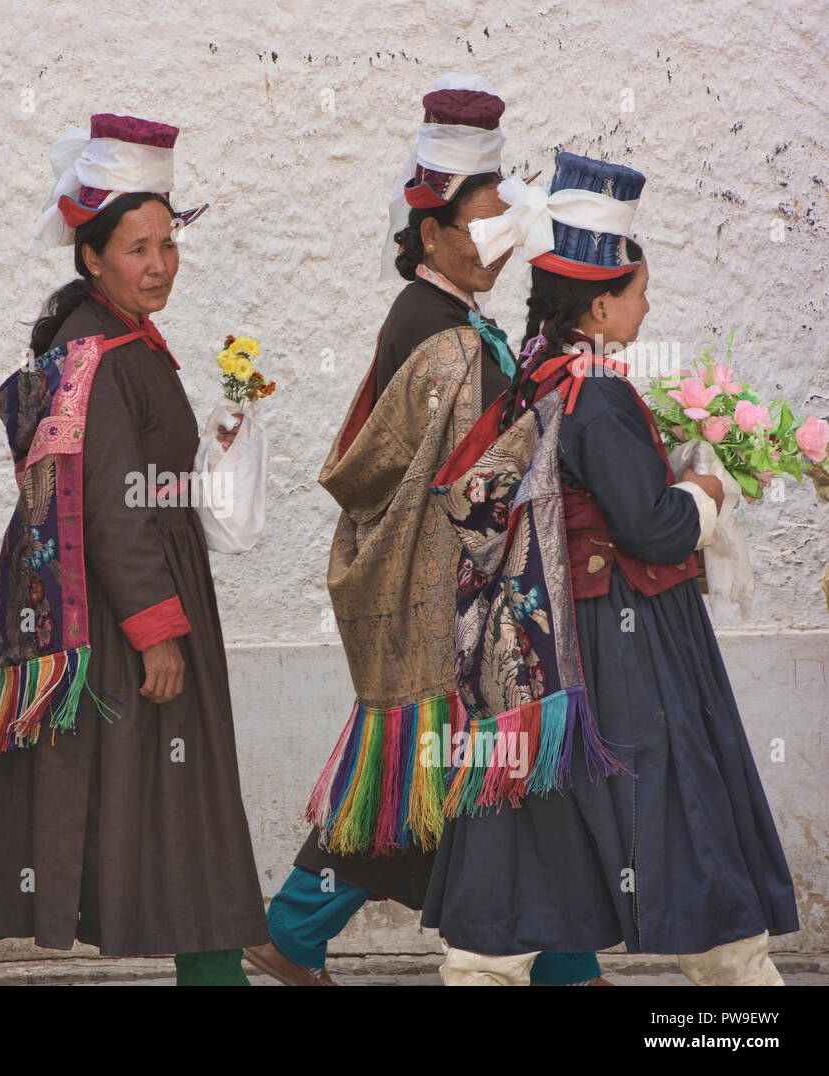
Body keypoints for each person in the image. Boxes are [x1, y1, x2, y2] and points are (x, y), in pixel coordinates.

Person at [246, 76, 606, 988]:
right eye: (482, 222)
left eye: (503, 219)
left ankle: (298, 934)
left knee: (440, 794)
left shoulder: (451, 320)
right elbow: (482, 474)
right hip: (454, 605)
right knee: (463, 786)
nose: (498, 241)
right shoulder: (439, 335)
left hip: (455, 601)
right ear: (434, 232)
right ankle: (561, 965)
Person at [0, 113, 268, 987]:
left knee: (80, 795)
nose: (158, 264)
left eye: (168, 245)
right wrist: (155, 627)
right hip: (117, 620)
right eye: (137, 248)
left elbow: (135, 484)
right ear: (92, 254)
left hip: (113, 612)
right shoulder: (95, 351)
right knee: (168, 802)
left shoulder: (125, 342)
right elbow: (106, 507)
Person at [420, 152, 799, 985]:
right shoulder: (598, 392)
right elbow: (655, 530)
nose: (647, 305)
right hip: (624, 644)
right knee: (678, 800)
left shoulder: (534, 375)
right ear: (599, 304)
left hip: (537, 644)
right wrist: (704, 490)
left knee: (534, 813)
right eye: (638, 291)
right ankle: (738, 982)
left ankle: (479, 969)